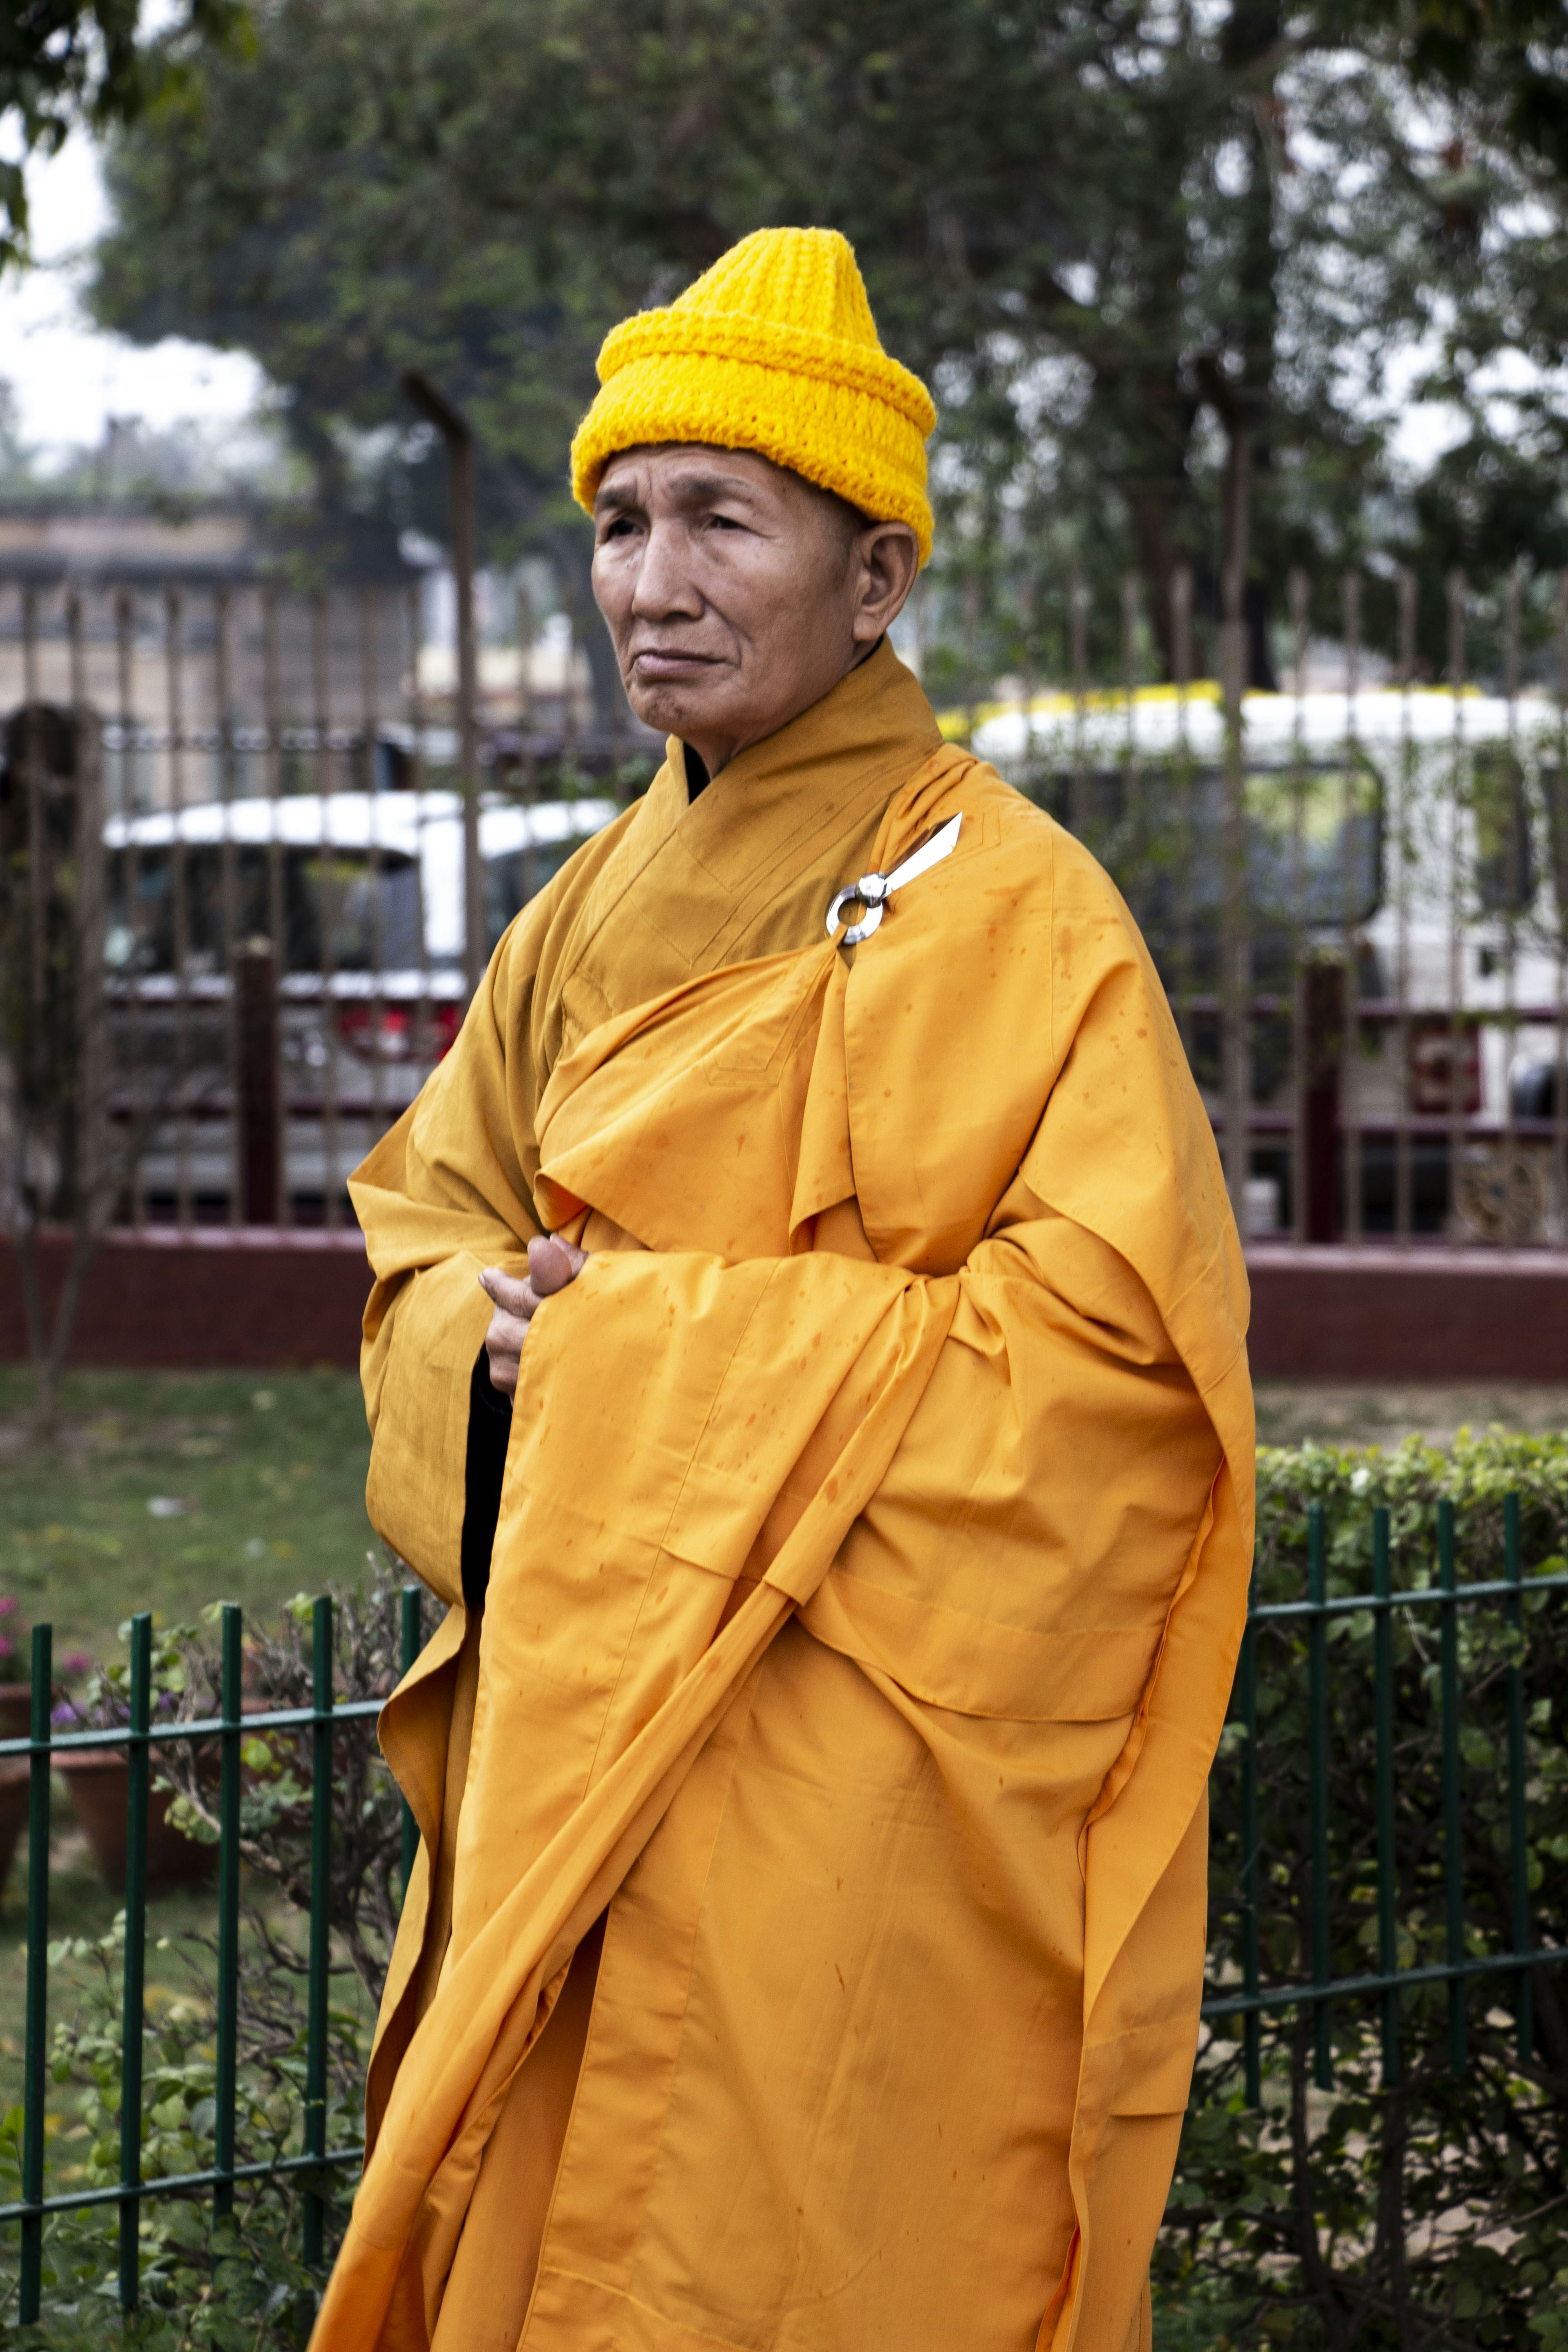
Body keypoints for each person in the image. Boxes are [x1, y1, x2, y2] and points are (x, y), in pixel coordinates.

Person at [313, 225, 1254, 2352]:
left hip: (851, 1800)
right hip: (573, 1757)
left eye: (721, 519)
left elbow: (1114, 1377)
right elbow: (421, 1255)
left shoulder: (1018, 914)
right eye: (622, 522)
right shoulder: (573, 918)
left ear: (876, 577)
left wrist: (640, 1348)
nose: (652, 581)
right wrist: (501, 1347)